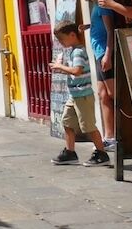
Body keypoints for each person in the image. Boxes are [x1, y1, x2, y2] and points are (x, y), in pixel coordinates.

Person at [48, 22, 110, 167]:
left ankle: (101, 153)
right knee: (67, 122)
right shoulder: (70, 51)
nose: (61, 43)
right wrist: (60, 64)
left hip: (83, 95)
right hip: (74, 95)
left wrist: (60, 66)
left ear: (72, 35)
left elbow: (77, 71)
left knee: (88, 126)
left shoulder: (78, 52)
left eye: (62, 39)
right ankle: (70, 152)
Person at [75, 0, 117, 149]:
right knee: (103, 94)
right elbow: (100, 24)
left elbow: (109, 29)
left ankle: (124, 134)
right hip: (98, 53)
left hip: (104, 53)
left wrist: (108, 54)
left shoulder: (101, 2)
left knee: (114, 94)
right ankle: (110, 136)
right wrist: (89, 26)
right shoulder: (94, 5)